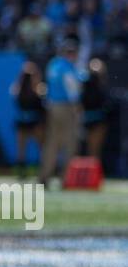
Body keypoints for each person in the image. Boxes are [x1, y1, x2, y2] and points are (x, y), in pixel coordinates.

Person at [39, 36, 81, 186]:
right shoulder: (67, 67)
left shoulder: (54, 64)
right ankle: (65, 179)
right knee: (70, 143)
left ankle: (45, 176)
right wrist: (77, 107)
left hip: (52, 106)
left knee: (52, 143)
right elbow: (72, 90)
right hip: (66, 107)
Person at [10, 59, 46, 178]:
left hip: (31, 122)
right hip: (28, 122)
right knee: (24, 150)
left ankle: (40, 171)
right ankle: (23, 172)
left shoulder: (18, 89)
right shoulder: (36, 89)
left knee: (35, 148)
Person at [81, 57, 110, 164]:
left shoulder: (102, 85)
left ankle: (94, 172)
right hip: (87, 120)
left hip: (98, 120)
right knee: (90, 148)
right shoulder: (84, 82)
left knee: (95, 149)